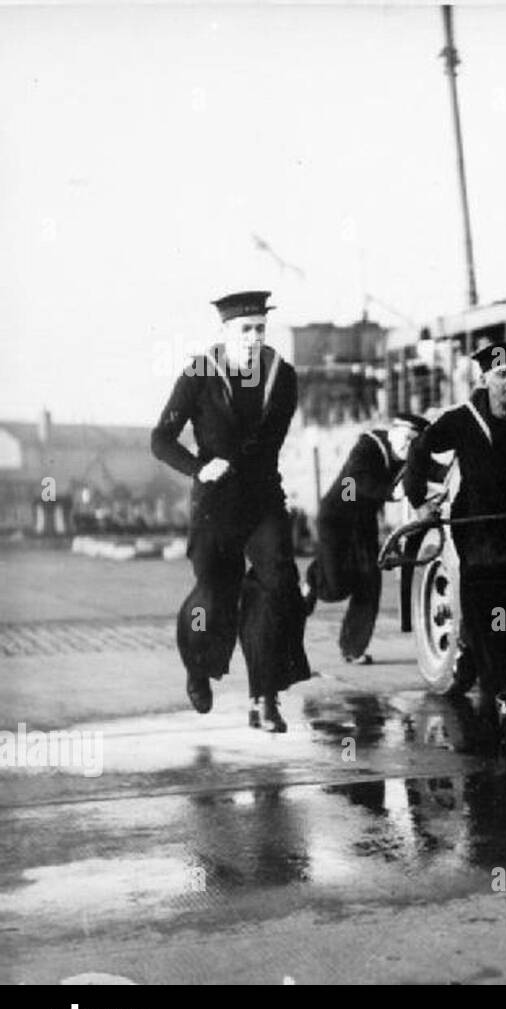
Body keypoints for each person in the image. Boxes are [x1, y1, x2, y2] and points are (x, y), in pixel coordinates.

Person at [150, 290, 310, 731]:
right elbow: (161, 439)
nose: (255, 338)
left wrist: (239, 466)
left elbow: (267, 441)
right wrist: (200, 468)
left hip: (261, 500)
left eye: (261, 329)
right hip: (215, 504)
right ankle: (198, 668)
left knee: (278, 587)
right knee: (215, 596)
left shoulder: (283, 376)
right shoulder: (199, 373)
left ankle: (266, 696)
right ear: (224, 333)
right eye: (246, 330)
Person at [403, 341, 506, 725]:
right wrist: (418, 499)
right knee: (493, 606)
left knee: (505, 607)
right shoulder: (462, 419)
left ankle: (479, 658)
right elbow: (420, 449)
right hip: (473, 530)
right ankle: (505, 691)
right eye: (503, 374)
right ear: (486, 378)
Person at [303, 412, 430, 664]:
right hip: (337, 519)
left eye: (414, 442)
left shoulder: (410, 458)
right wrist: (390, 493)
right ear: (394, 432)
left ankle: (353, 649)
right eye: (405, 438)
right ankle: (312, 580)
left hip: (363, 524)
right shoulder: (368, 446)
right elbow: (356, 481)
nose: (407, 446)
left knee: (369, 583)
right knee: (335, 588)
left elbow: (429, 474)